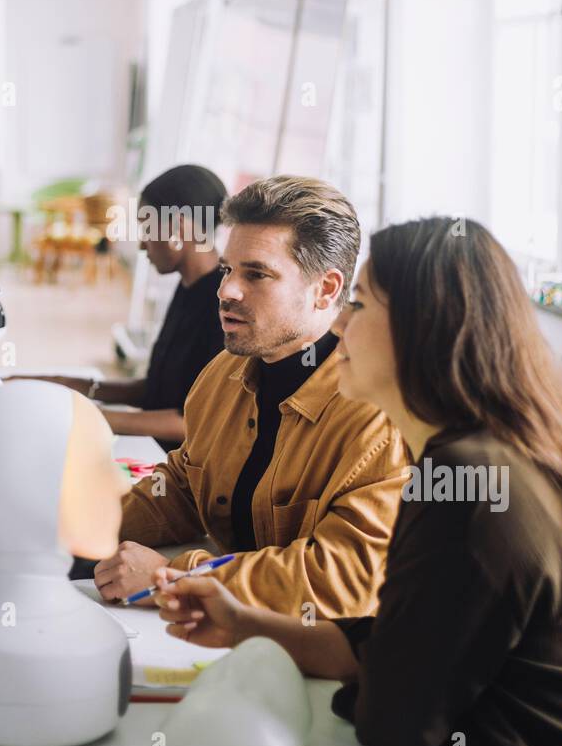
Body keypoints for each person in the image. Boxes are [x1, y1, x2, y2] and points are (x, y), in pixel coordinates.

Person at [152, 217, 562, 746]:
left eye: (359, 303)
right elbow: (403, 643)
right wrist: (247, 626)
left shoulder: (471, 490)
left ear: (425, 328)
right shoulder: (470, 459)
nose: (337, 326)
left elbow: (394, 717)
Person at [95, 176, 407, 616]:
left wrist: (177, 578)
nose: (226, 291)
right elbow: (183, 487)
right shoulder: (223, 374)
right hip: (231, 633)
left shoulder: (378, 419)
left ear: (327, 289)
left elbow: (344, 578)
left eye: (256, 274)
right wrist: (74, 527)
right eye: (227, 270)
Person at [9, 165, 228, 451]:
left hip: (177, 471)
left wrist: (78, 415)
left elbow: (190, 423)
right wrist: (61, 384)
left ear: (178, 228)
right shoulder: (189, 286)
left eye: (147, 229)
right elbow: (158, 391)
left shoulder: (225, 305)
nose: (141, 245)